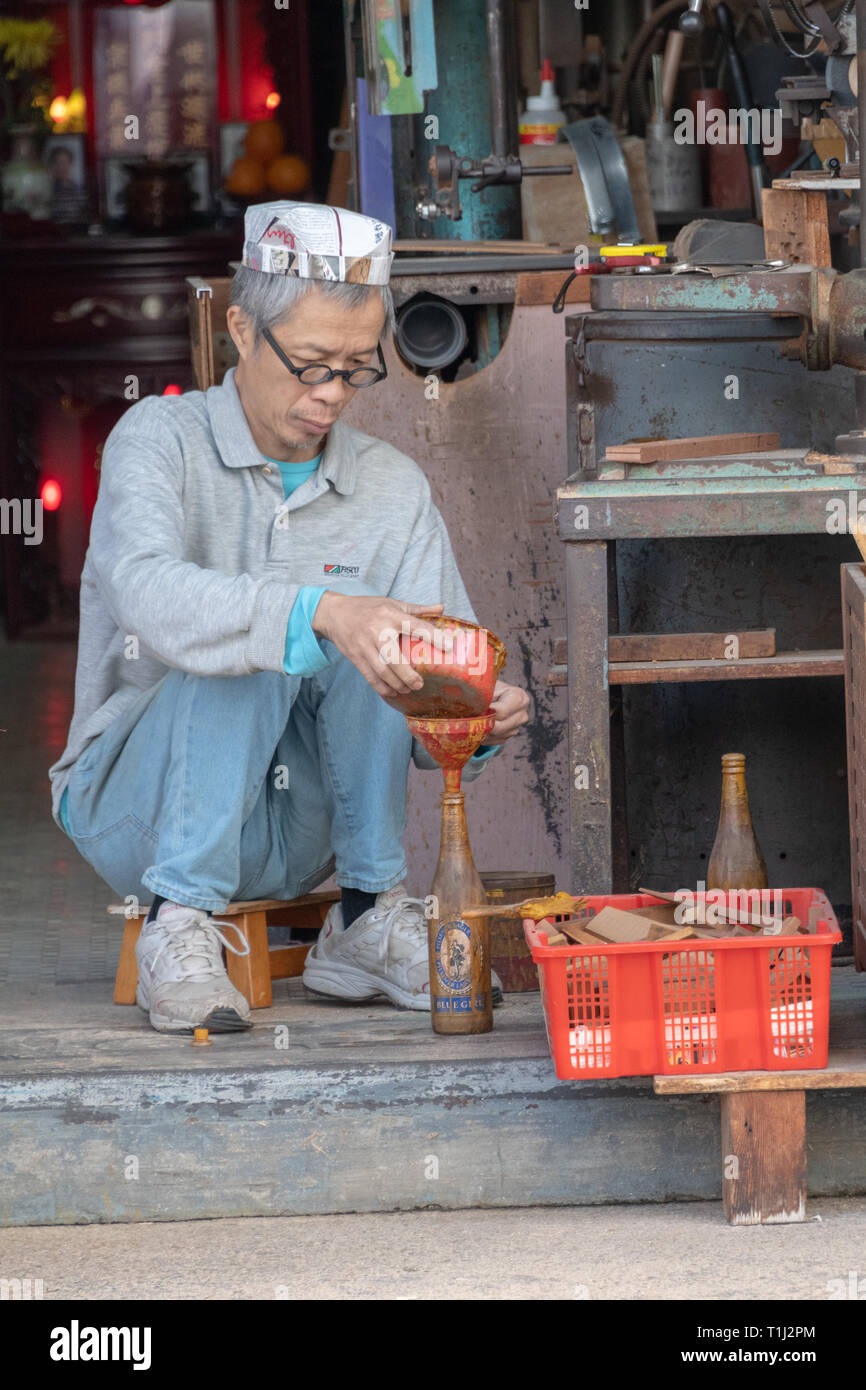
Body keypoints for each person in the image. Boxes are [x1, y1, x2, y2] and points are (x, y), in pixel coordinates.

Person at [48, 202, 530, 1034]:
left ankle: (368, 918)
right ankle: (178, 922)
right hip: (137, 810)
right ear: (241, 328)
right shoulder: (157, 440)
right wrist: (319, 613)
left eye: (355, 369)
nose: (332, 395)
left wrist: (472, 717)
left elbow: (425, 708)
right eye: (310, 364)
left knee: (388, 634)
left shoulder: (393, 487)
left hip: (304, 833)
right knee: (286, 632)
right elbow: (149, 593)